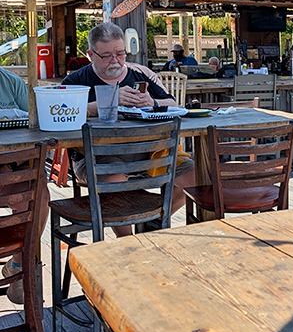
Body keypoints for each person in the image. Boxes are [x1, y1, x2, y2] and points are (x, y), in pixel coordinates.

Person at [63, 23, 195, 234]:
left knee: (197, 176)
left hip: (151, 151)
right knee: (115, 181)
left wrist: (151, 102)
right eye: (106, 55)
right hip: (98, 156)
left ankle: (153, 224)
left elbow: (174, 105)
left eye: (120, 53)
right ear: (90, 54)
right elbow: (60, 113)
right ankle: (127, 241)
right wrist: (102, 105)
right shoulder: (75, 81)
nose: (115, 60)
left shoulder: (142, 73)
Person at [0, 66, 43, 303]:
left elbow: (35, 125)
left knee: (38, 191)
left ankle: (19, 264)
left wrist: (12, 162)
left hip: (9, 171)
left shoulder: (10, 82)